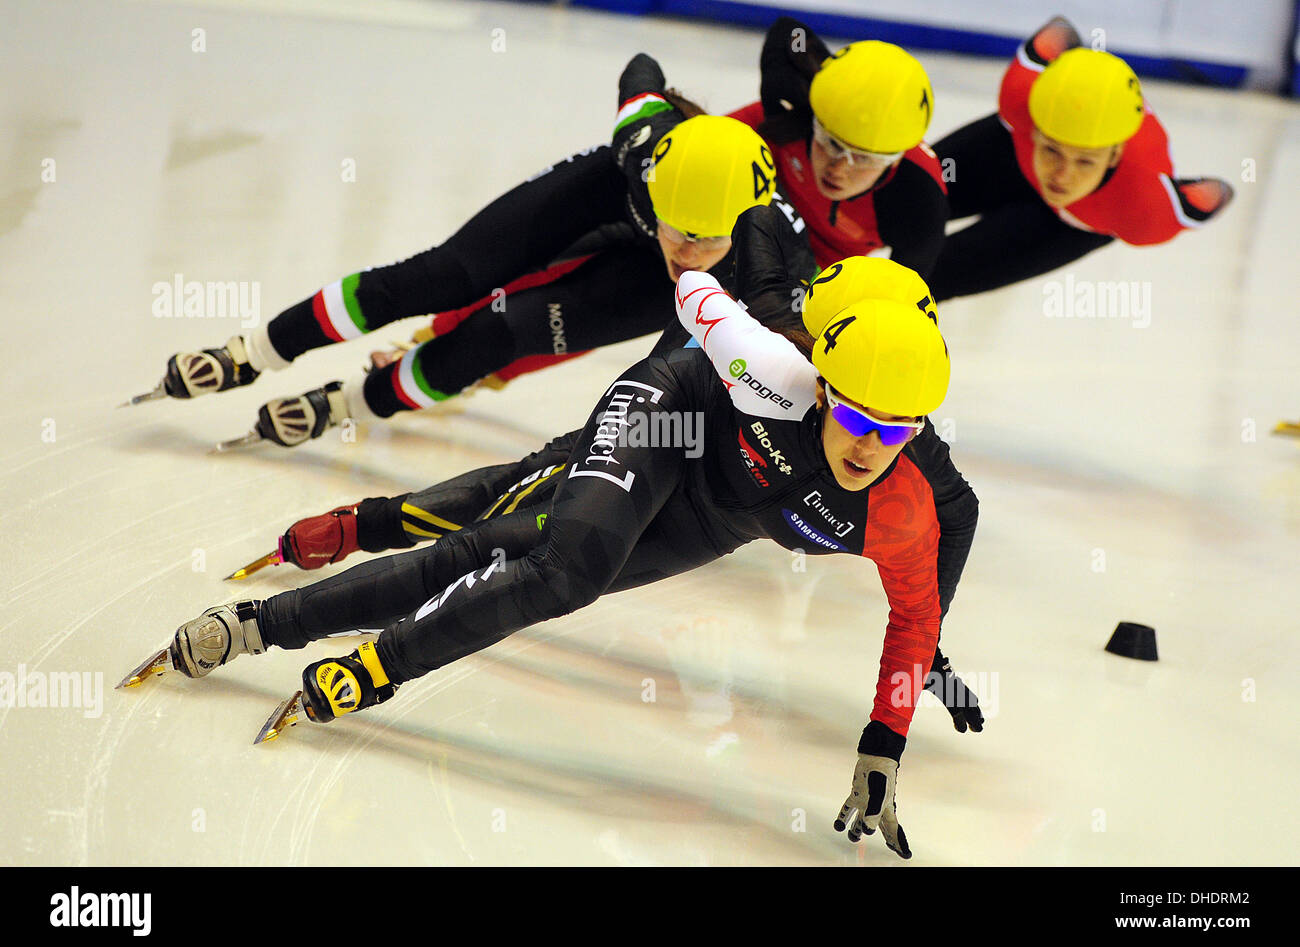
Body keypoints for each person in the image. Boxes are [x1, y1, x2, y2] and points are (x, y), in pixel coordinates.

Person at [130, 256, 981, 858]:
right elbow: (696, 295)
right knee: (565, 572)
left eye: (895, 432)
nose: (871, 446)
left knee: (504, 550)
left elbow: (914, 616)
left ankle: (257, 625)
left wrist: (883, 744)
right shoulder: (769, 370)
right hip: (667, 418)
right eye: (859, 420)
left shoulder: (901, 512)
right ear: (823, 386)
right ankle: (366, 663)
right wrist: (695, 269)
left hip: (712, 519)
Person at [131, 53, 814, 449]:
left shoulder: (765, 235)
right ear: (658, 191)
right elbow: (640, 68)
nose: (691, 251)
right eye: (679, 229)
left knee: (506, 331)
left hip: (646, 280)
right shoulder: (641, 139)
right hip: (602, 195)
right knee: (447, 277)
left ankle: (346, 405)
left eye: (708, 239)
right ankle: (253, 352)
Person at [928, 15, 1234, 302]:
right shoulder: (1021, 96)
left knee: (926, 282)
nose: (1061, 176)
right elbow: (1062, 29)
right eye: (1052, 151)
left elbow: (1216, 194)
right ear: (1035, 127)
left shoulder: (1146, 208)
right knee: (888, 201)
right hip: (1011, 153)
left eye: (1085, 161)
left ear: (1114, 156)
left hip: (1071, 225)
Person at [728, 17, 949, 278]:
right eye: (832, 143)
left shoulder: (918, 200)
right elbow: (788, 29)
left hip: (819, 273)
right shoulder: (791, 117)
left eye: (865, 158)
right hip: (750, 212)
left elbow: (903, 299)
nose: (840, 168)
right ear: (814, 120)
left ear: (895, 161)